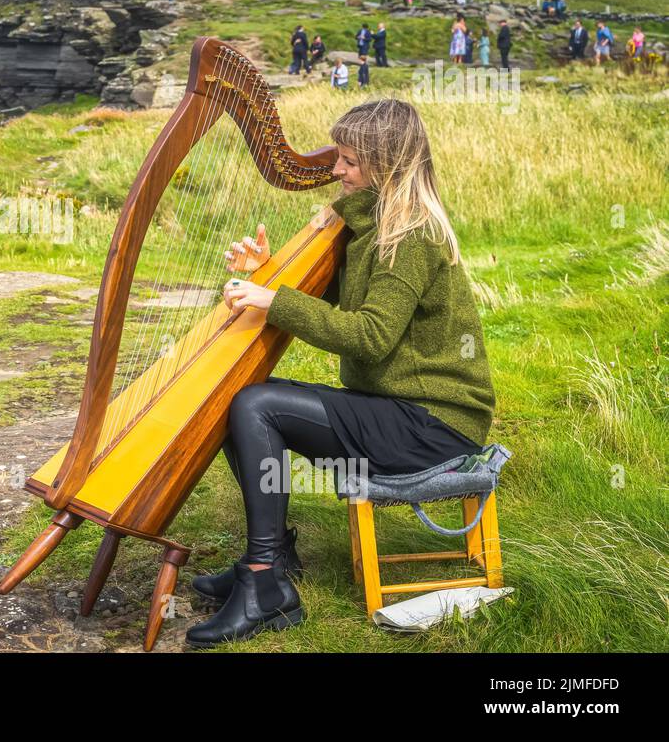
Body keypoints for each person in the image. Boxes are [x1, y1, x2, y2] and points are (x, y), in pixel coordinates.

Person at [186, 99, 495, 646]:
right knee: (244, 396)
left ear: (386, 165)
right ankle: (275, 562)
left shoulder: (412, 236)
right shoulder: (376, 227)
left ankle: (263, 582)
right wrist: (266, 273)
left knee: (256, 405)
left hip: (434, 425)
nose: (336, 170)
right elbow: (352, 303)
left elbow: (370, 336)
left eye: (349, 161)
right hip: (397, 410)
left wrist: (272, 298)